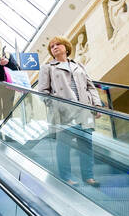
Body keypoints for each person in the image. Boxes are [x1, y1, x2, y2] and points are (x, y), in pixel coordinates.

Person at [39, 36, 102, 187]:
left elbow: (90, 86)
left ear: (66, 48)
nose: (54, 47)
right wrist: (56, 105)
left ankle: (89, 176)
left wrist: (97, 105)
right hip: (64, 112)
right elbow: (42, 92)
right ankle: (66, 176)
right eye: (52, 46)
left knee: (86, 145)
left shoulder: (78, 66)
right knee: (64, 147)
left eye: (58, 44)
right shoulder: (48, 67)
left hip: (84, 110)